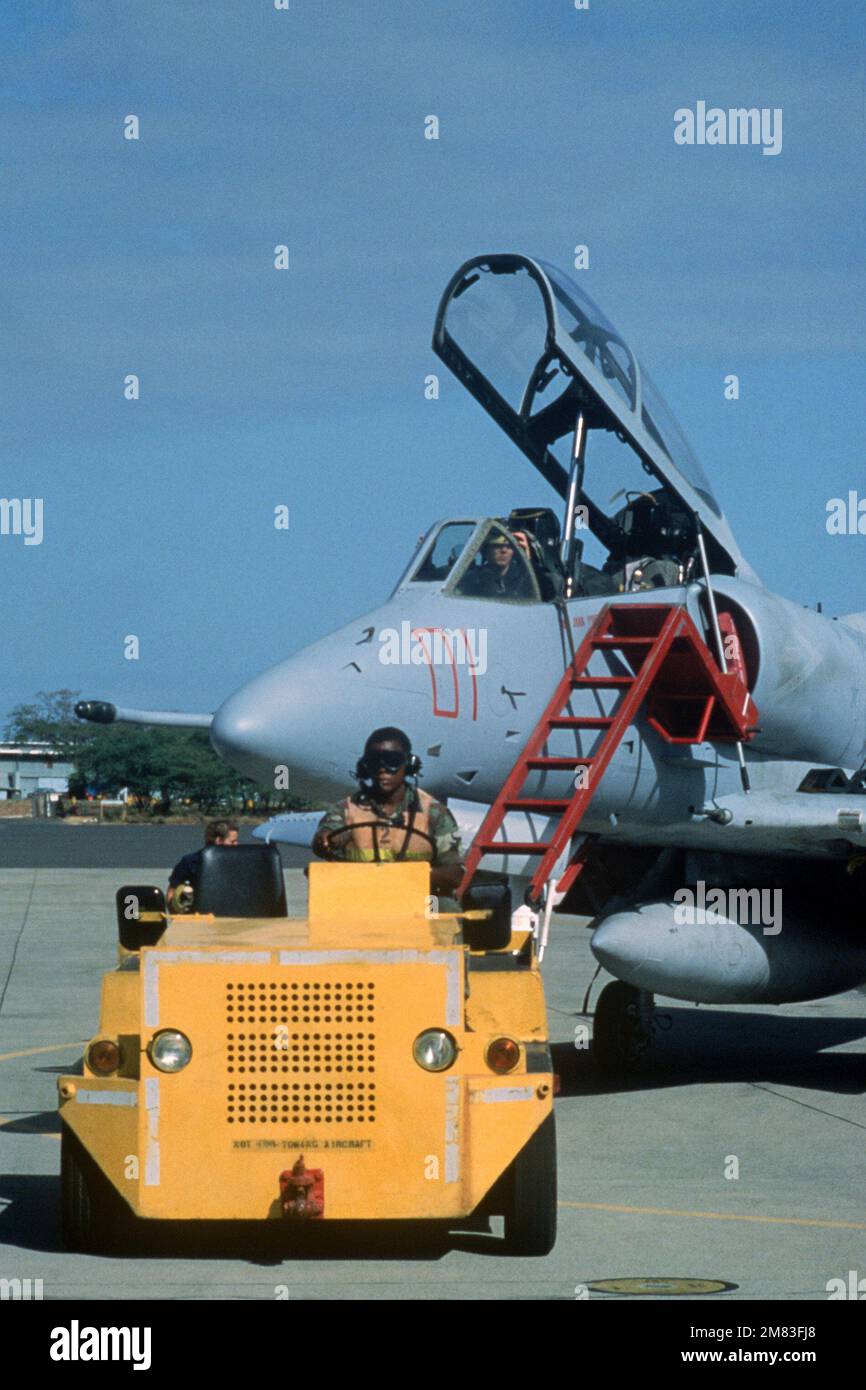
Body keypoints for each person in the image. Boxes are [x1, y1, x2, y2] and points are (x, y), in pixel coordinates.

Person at [312, 728, 463, 898]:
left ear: (409, 764)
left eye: (392, 761)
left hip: (420, 901)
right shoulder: (346, 809)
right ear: (365, 766)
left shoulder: (434, 813)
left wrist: (409, 876)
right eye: (375, 761)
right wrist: (326, 838)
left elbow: (455, 874)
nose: (382, 769)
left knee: (444, 910)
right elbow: (327, 834)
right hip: (361, 900)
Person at [167, 818, 239, 908]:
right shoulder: (190, 862)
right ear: (218, 840)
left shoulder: (241, 862)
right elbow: (172, 890)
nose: (236, 844)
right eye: (232, 842)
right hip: (200, 914)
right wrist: (173, 910)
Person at [458, 529, 535, 599]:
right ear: (485, 551)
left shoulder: (525, 576)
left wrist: (528, 561)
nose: (504, 550)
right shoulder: (473, 580)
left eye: (509, 546)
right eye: (497, 546)